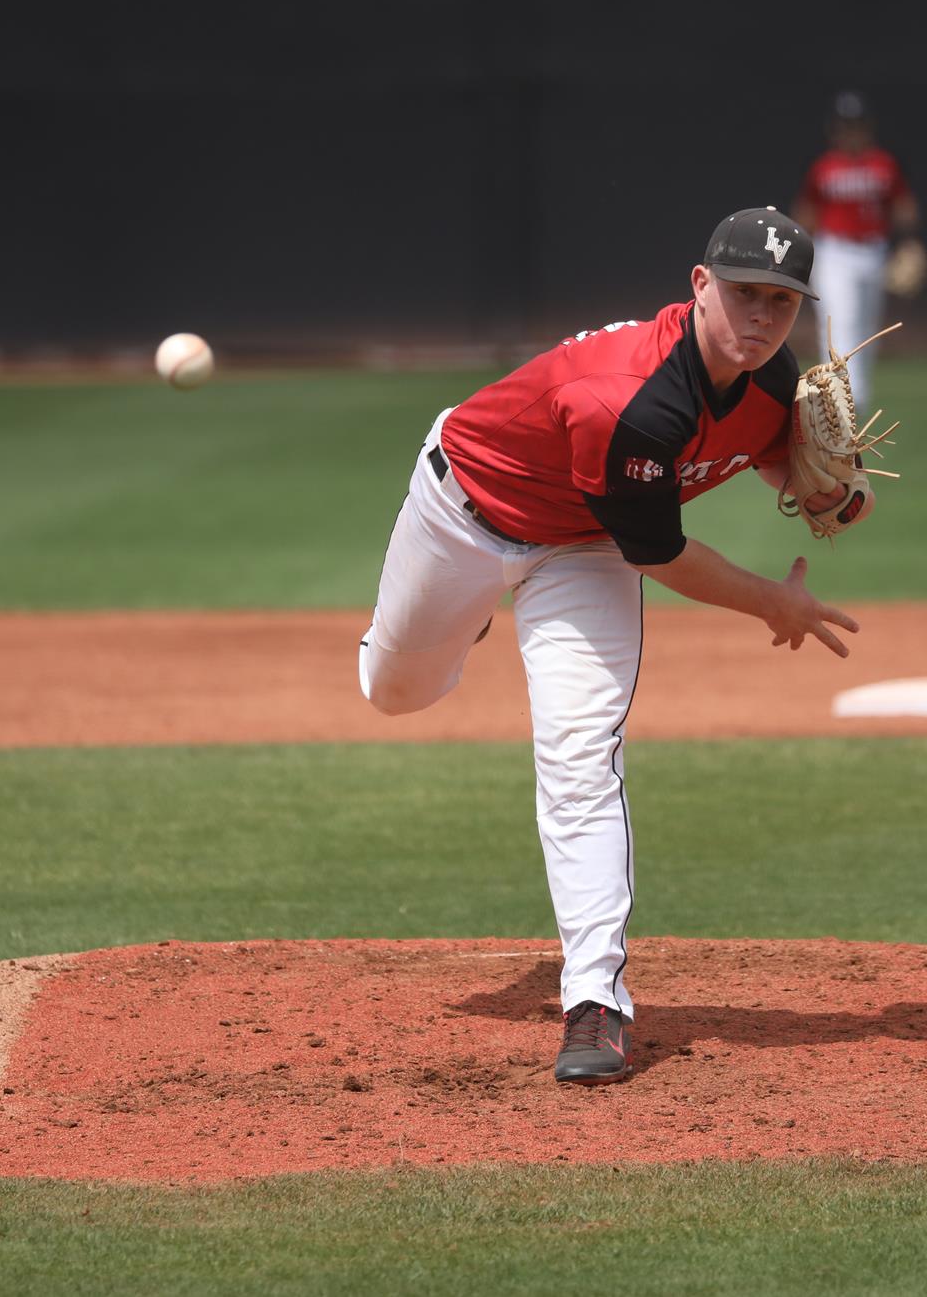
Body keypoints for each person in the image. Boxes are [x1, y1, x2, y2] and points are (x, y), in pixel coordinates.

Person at [358, 207, 863, 1085]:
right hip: (465, 511)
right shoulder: (629, 399)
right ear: (699, 286)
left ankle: (595, 1004)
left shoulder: (773, 376)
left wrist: (824, 489)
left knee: (581, 753)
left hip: (582, 548)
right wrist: (775, 604)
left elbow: (768, 449)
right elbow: (662, 552)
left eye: (781, 303)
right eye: (744, 294)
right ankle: (471, 612)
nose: (761, 318)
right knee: (394, 690)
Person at [791, 90, 920, 410]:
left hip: (873, 252)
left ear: (867, 127)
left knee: (866, 327)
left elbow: (904, 207)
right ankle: (837, 398)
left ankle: (856, 397)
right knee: (839, 322)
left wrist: (908, 242)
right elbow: (806, 213)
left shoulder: (883, 164)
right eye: (845, 125)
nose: (851, 132)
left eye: (856, 124)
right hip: (834, 252)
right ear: (834, 129)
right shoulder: (824, 168)